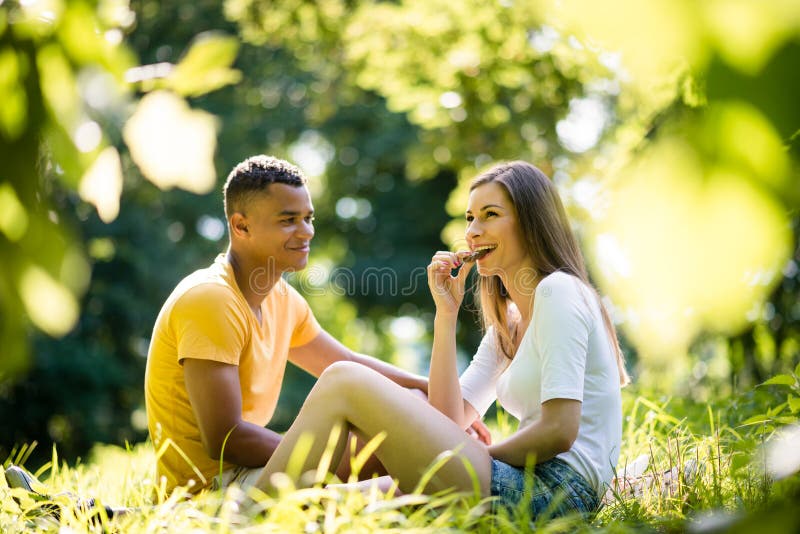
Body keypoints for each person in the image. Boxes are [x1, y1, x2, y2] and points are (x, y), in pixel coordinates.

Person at [250, 161, 629, 520]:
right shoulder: (509, 326)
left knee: (342, 379)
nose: (473, 231)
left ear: (531, 222)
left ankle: (241, 518)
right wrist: (445, 315)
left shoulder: (558, 291)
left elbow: (559, 430)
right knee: (331, 502)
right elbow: (448, 421)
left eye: (490, 215)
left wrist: (481, 455)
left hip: (554, 492)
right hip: (518, 482)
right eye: (470, 218)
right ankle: (254, 513)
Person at [144, 155, 488, 495]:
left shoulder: (281, 299)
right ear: (241, 226)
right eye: (288, 220)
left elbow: (347, 362)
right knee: (398, 447)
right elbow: (227, 440)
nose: (306, 231)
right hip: (214, 488)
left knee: (411, 410)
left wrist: (437, 395)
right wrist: (312, 455)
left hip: (253, 472)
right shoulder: (212, 300)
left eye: (308, 218)